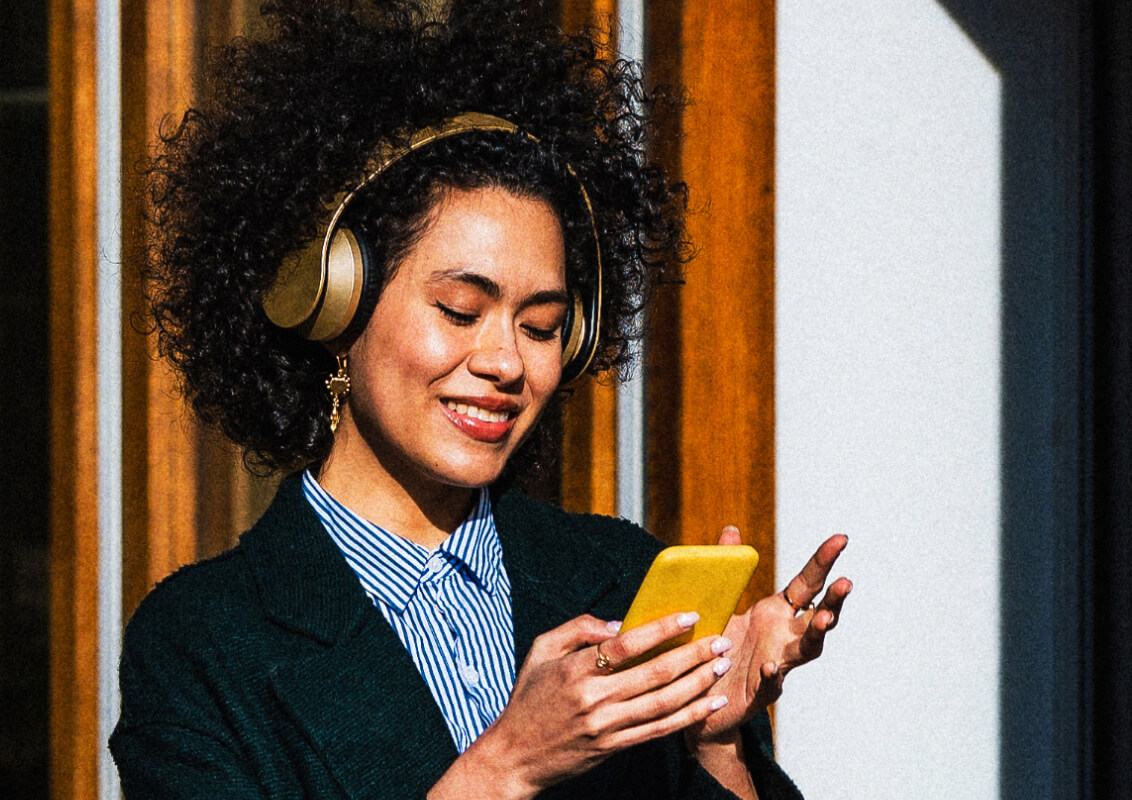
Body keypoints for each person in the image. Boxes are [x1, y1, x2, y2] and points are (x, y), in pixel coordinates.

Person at [110, 2, 852, 798]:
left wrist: (717, 746)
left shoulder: (622, 582)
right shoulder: (202, 641)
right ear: (334, 304)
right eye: (460, 311)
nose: (505, 361)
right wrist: (505, 768)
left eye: (541, 326)